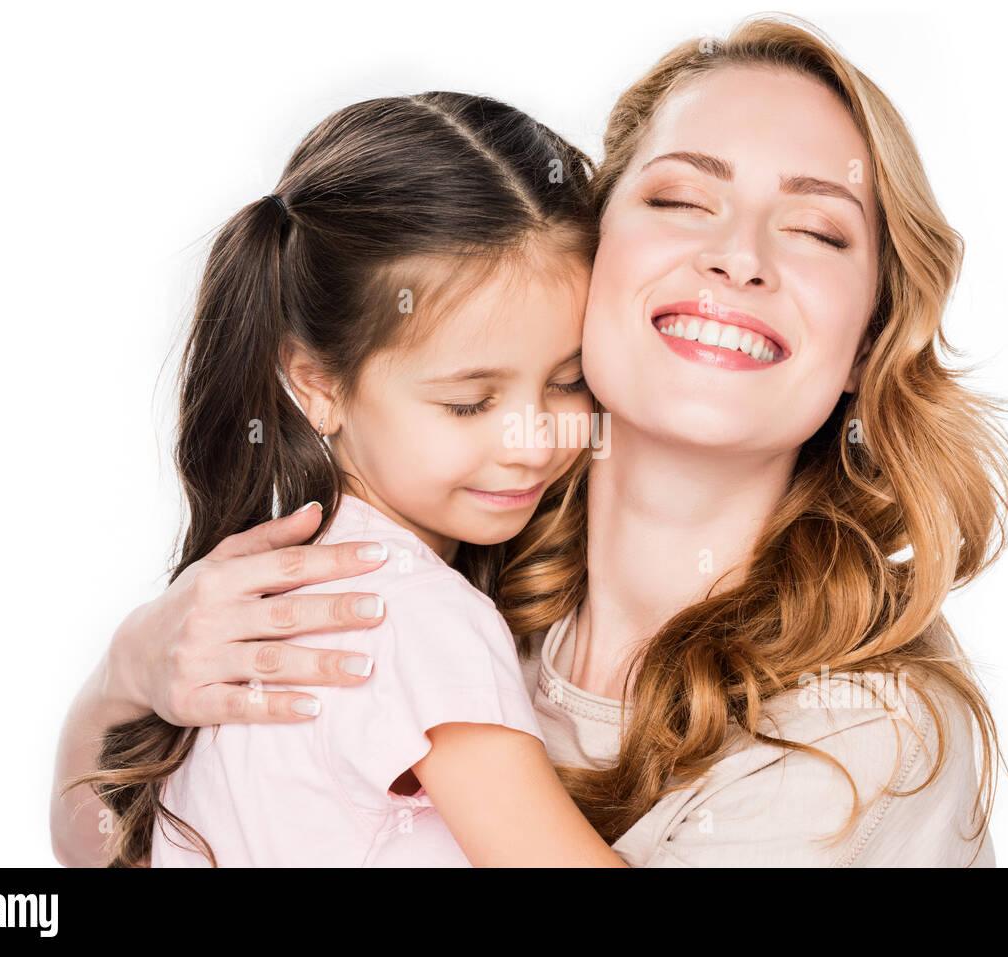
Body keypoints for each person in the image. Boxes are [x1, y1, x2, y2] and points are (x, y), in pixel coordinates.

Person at [53, 13, 1008, 867]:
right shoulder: (458, 583)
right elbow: (103, 844)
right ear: (595, 258)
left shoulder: (861, 733)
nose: (738, 256)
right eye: (683, 200)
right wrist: (127, 672)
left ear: (871, 340)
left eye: (816, 228)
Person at [65, 91, 626, 867]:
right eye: (469, 402)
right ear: (317, 382)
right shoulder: (414, 613)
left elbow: (91, 848)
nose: (534, 440)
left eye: (569, 381)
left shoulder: (263, 596)